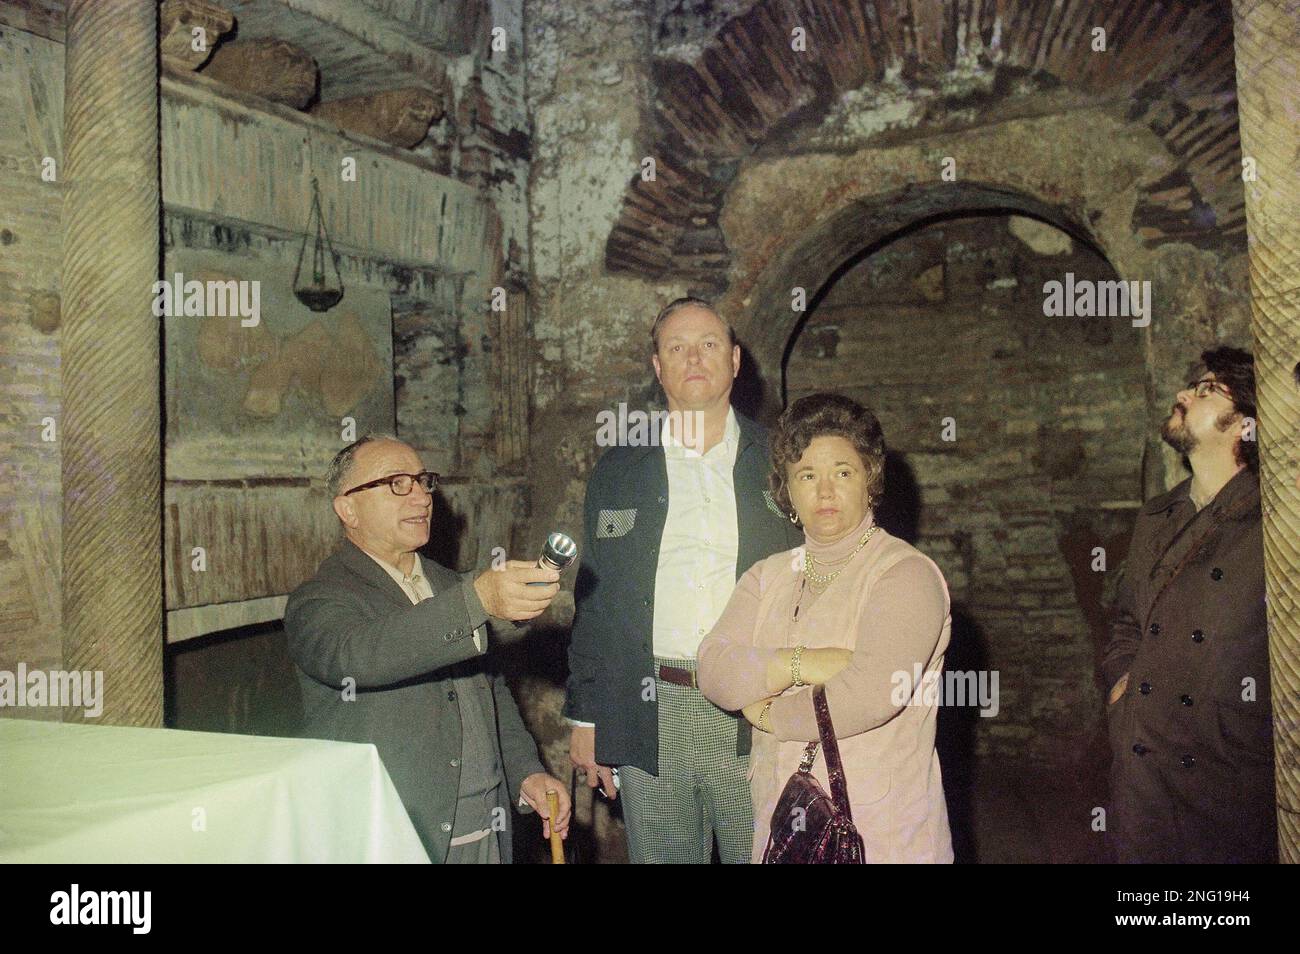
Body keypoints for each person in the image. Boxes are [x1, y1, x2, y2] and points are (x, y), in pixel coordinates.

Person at [565, 297, 801, 863]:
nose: (693, 358)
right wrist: (588, 716)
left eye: (709, 345)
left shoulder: (785, 461)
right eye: (677, 347)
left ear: (736, 360)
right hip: (651, 705)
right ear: (658, 367)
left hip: (758, 705)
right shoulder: (620, 468)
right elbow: (593, 600)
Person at [285, 434, 570, 863]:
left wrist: (524, 772)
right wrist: (477, 601)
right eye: (397, 483)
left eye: (422, 481)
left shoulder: (450, 584)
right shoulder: (319, 600)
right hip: (397, 840)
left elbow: (491, 694)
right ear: (347, 508)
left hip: (487, 831)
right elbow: (360, 655)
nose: (420, 496)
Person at [698, 392, 954, 863]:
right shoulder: (767, 575)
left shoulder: (906, 575)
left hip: (880, 831)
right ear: (788, 492)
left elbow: (871, 693)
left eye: (842, 472)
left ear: (870, 480)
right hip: (782, 827)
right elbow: (713, 669)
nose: (825, 491)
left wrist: (769, 712)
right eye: (807, 475)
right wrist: (805, 664)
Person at [1103, 346, 1276, 863]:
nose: (1183, 394)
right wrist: (1120, 688)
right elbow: (1127, 623)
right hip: (1143, 765)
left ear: (1244, 423)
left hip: (1228, 770)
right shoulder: (1158, 514)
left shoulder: (1276, 520)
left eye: (1205, 390)